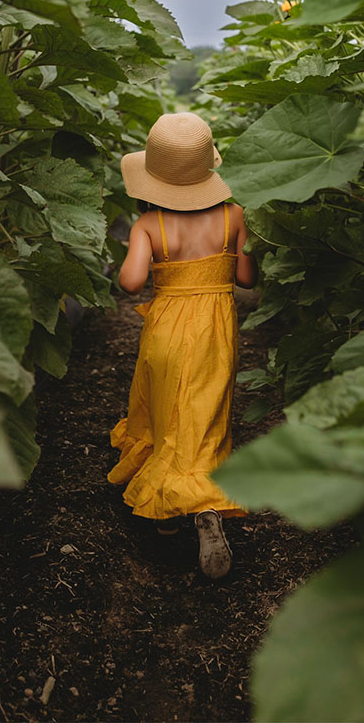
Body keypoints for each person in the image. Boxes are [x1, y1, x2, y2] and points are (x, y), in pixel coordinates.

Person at [108, 112, 257, 579]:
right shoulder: (234, 215)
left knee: (165, 407)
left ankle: (168, 515)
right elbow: (248, 278)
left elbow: (131, 283)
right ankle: (206, 505)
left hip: (167, 328)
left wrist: (140, 258)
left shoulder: (150, 225)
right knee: (205, 415)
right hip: (217, 329)